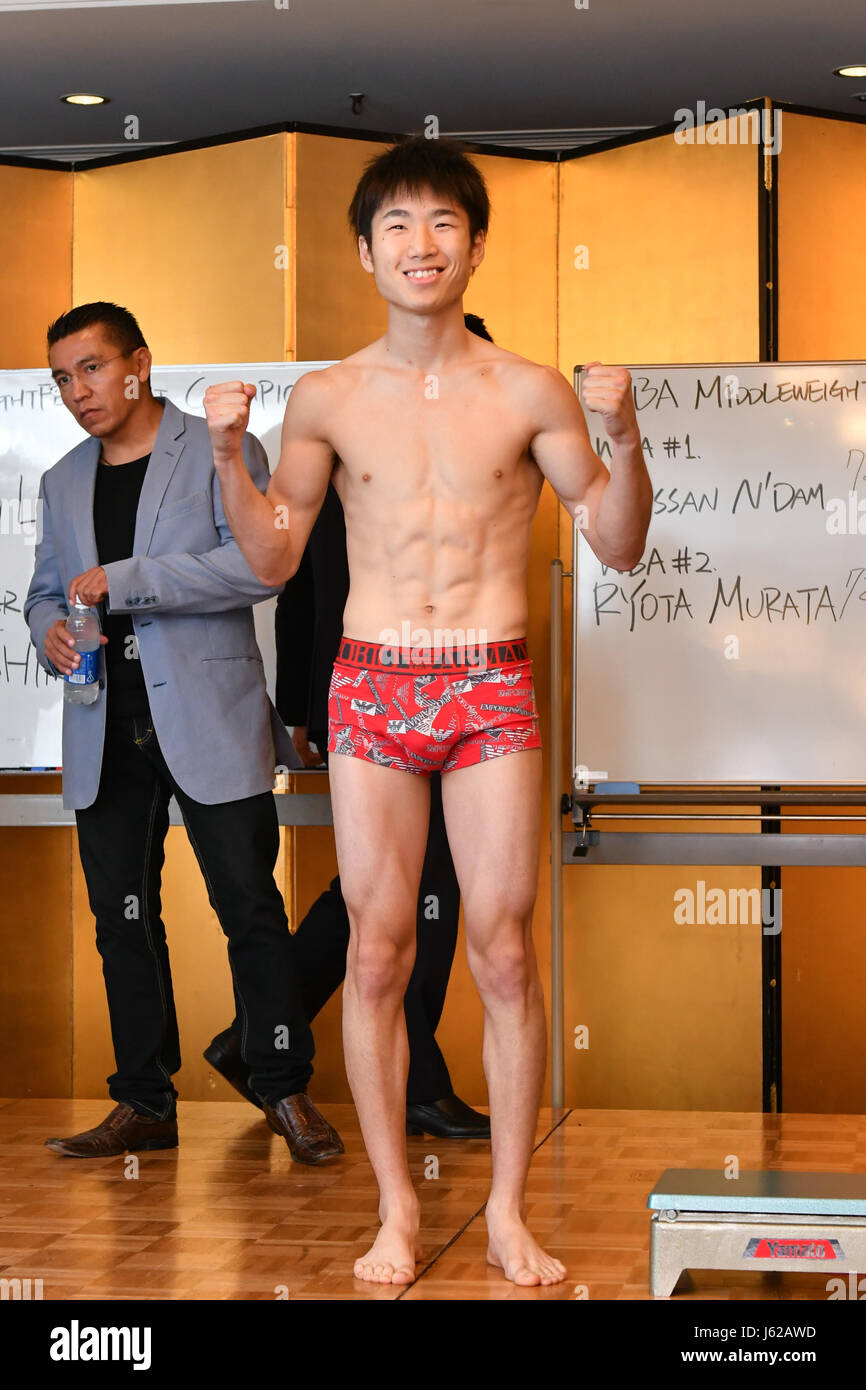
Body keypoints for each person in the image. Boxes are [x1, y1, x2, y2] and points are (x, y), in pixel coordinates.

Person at [202, 136, 653, 1286]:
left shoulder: (530, 387)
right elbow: (272, 556)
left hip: (489, 673)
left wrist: (624, 436)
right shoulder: (330, 396)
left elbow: (617, 541)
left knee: (503, 950)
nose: (421, 244)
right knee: (376, 951)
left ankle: (505, 1210)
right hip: (372, 680)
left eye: (442, 223)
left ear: (476, 246)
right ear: (365, 251)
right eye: (396, 225)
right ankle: (395, 1212)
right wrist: (223, 455)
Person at [24, 301, 341, 1165]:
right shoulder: (59, 479)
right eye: (61, 378)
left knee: (249, 909)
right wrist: (48, 628)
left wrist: (129, 579)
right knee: (122, 920)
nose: (76, 392)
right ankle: (143, 1102)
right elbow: (48, 589)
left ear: (140, 364)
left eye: (90, 369)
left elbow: (257, 568)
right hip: (103, 723)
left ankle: (282, 1089)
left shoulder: (221, 449)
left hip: (209, 718)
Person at [206, 313, 496, 1142]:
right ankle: (417, 1083)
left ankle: (264, 1034)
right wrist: (306, 704)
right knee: (416, 889)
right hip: (364, 697)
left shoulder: (474, 458)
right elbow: (295, 582)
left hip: (464, 696)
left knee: (396, 888)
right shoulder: (345, 440)